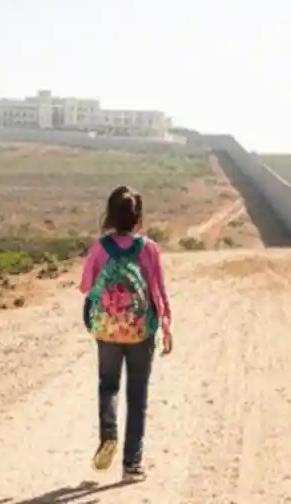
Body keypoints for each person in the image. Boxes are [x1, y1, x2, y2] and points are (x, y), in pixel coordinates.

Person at [79, 185, 173, 480]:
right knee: (137, 393)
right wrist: (166, 325)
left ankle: (108, 434)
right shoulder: (149, 249)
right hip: (140, 330)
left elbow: (86, 286)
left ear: (110, 215)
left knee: (108, 385)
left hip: (107, 330)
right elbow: (158, 291)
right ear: (138, 217)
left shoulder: (99, 248)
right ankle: (132, 463)